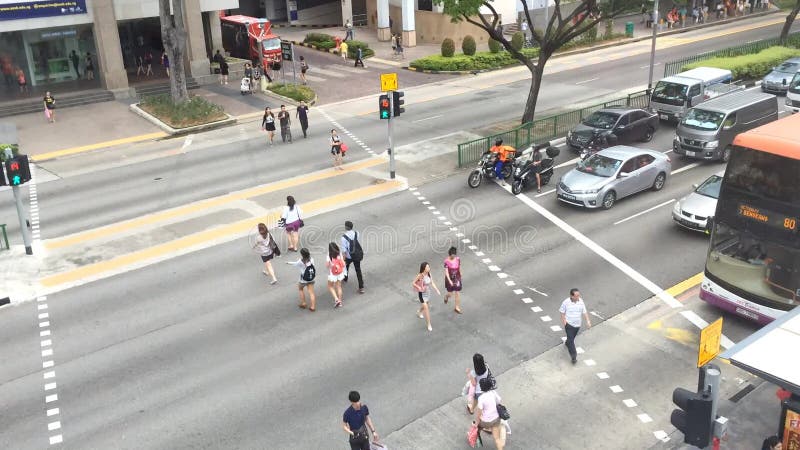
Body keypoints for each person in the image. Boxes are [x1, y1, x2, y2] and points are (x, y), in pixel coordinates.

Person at [560, 288, 592, 364]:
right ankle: (573, 356)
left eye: (579, 295)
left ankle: (567, 343)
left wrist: (588, 321)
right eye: (576, 296)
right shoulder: (566, 302)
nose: (578, 297)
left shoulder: (581, 301)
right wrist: (565, 322)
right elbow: (562, 312)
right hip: (569, 325)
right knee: (571, 341)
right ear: (571, 296)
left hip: (577, 325)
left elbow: (584, 311)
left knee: (571, 339)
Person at [475, 377, 506, 450]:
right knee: (497, 439)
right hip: (496, 419)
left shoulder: (481, 398)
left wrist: (476, 423)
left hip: (485, 421)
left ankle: (476, 437)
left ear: (482, 387)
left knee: (478, 427)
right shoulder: (493, 393)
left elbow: (479, 413)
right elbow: (499, 401)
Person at [413, 262, 440, 332]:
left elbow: (432, 282)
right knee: (426, 308)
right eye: (427, 267)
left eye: (429, 267)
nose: (429, 268)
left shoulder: (429, 274)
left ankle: (419, 312)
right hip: (422, 294)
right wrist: (418, 287)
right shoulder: (420, 275)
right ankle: (429, 324)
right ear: (424, 268)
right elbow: (413, 283)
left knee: (425, 305)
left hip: (427, 292)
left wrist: (437, 290)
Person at [341, 220, 365, 294]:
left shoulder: (343, 237)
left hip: (349, 256)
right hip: (356, 255)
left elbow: (344, 250)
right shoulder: (356, 233)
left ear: (346, 227)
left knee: (346, 267)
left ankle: (345, 278)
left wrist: (343, 259)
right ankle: (361, 287)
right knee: (358, 270)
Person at [443, 246, 462, 314]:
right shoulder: (446, 261)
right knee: (450, 294)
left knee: (457, 292)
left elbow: (459, 267)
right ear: (449, 254)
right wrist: (450, 280)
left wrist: (460, 273)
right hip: (450, 278)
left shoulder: (458, 259)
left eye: (454, 255)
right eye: (452, 256)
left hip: (456, 277)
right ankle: (446, 296)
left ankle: (457, 307)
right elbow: (446, 272)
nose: (453, 257)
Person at [327, 242, 347, 308]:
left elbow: (327, 265)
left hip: (333, 274)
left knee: (330, 286)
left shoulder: (329, 255)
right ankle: (340, 301)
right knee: (339, 287)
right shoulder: (339, 253)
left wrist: (331, 265)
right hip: (340, 272)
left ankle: (336, 299)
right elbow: (342, 262)